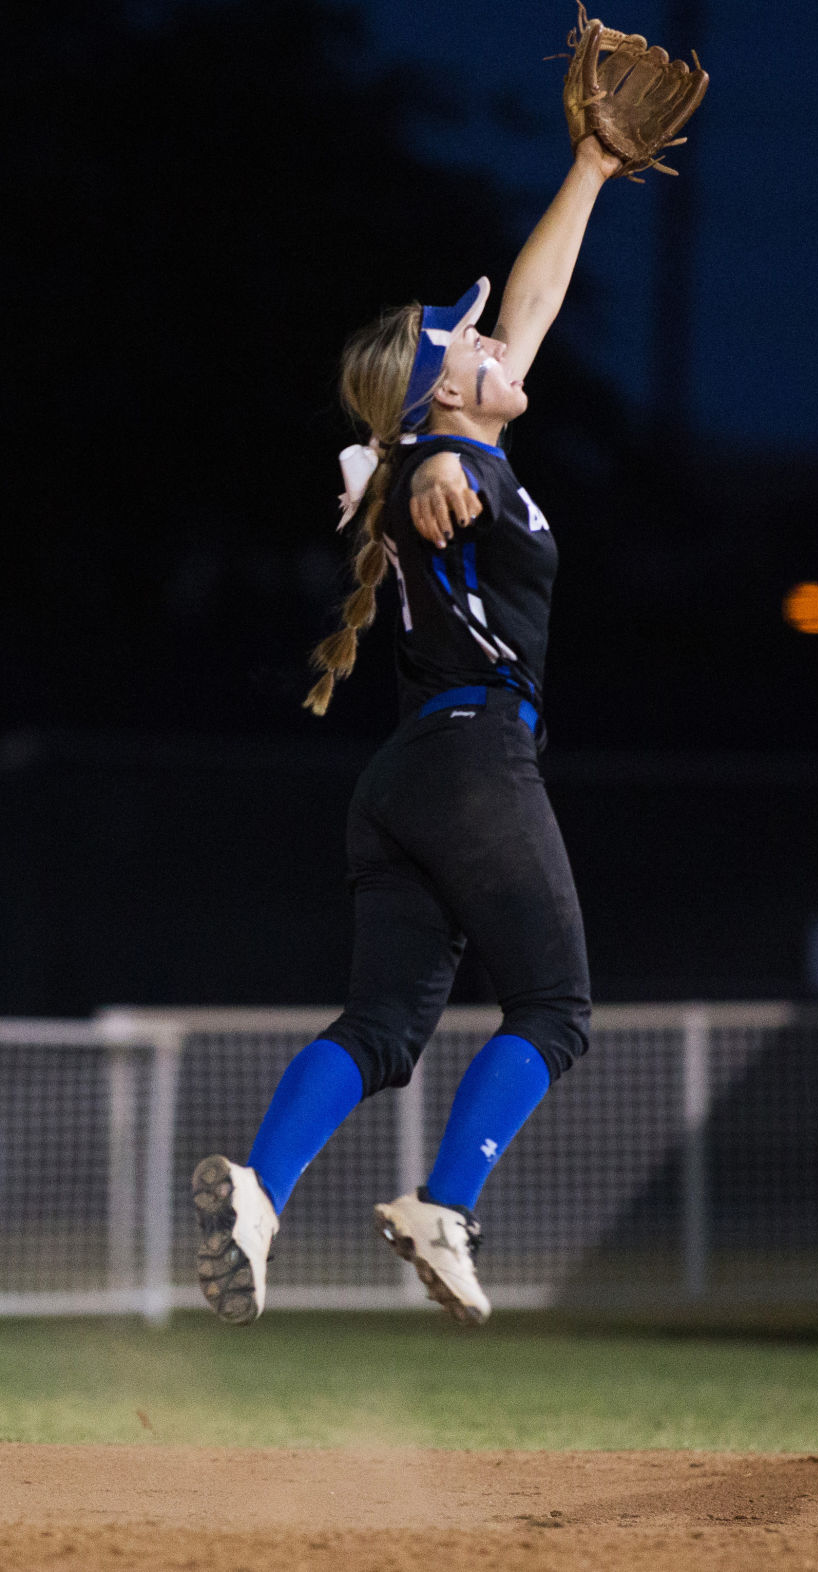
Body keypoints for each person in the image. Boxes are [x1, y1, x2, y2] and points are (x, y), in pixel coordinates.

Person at [192, 129, 624, 1327]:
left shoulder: (451, 440)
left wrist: (588, 169)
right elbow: (445, 470)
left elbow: (529, 306)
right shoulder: (452, 465)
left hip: (401, 781)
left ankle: (261, 1196)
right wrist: (440, 463)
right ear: (442, 389)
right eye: (474, 345)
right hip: (479, 762)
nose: (499, 343)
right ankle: (441, 1207)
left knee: (383, 1029)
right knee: (553, 1010)